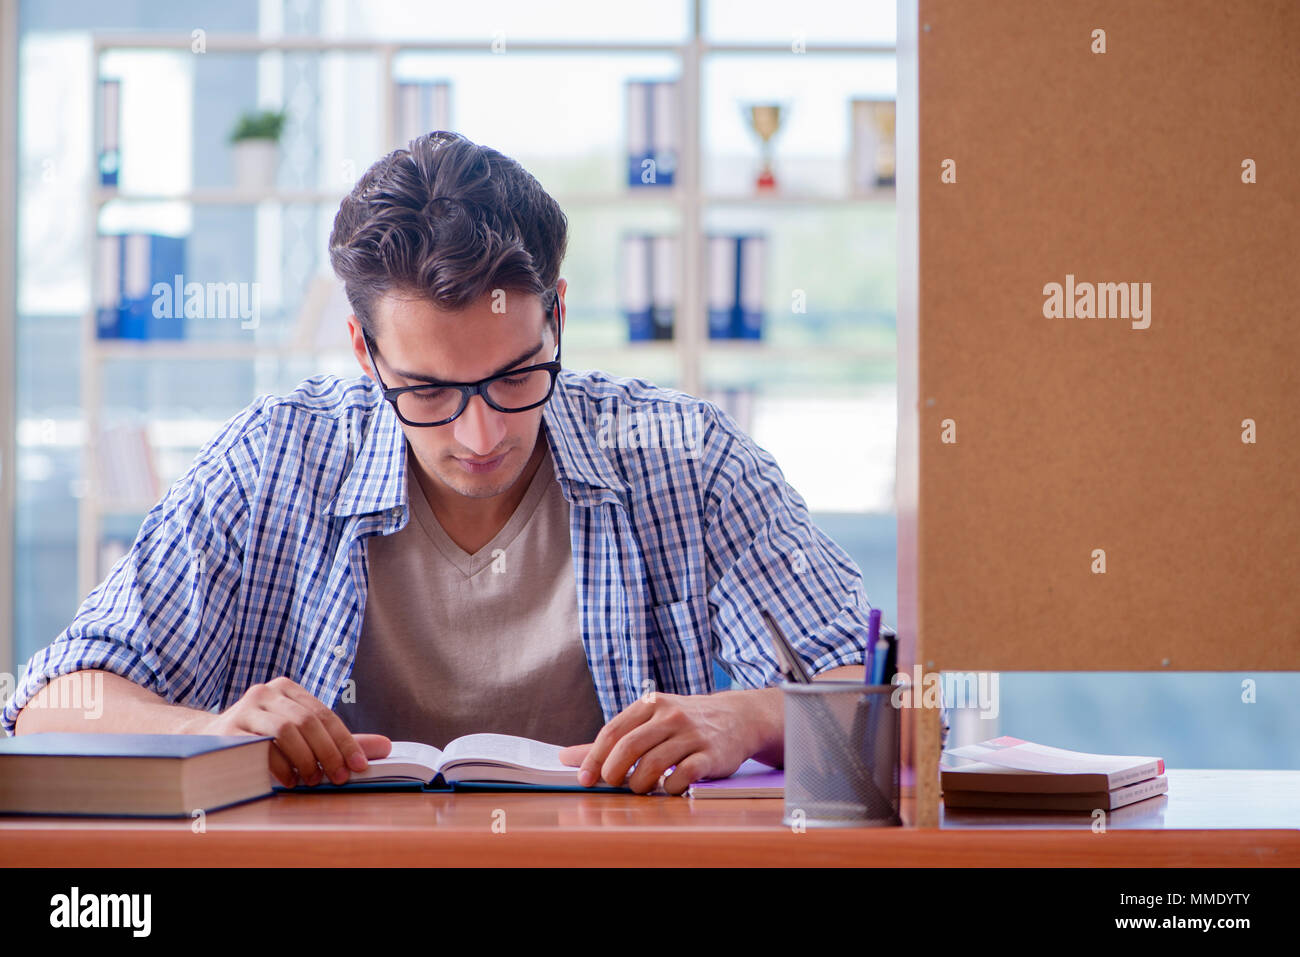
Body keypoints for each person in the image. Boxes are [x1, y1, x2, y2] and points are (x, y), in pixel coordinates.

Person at [4, 131, 874, 795]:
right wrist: (213, 726)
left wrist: (753, 715)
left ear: (557, 316)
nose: (481, 434)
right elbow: (52, 704)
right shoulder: (269, 460)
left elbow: (890, 700)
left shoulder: (688, 456)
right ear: (364, 352)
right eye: (427, 391)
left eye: (516, 375)